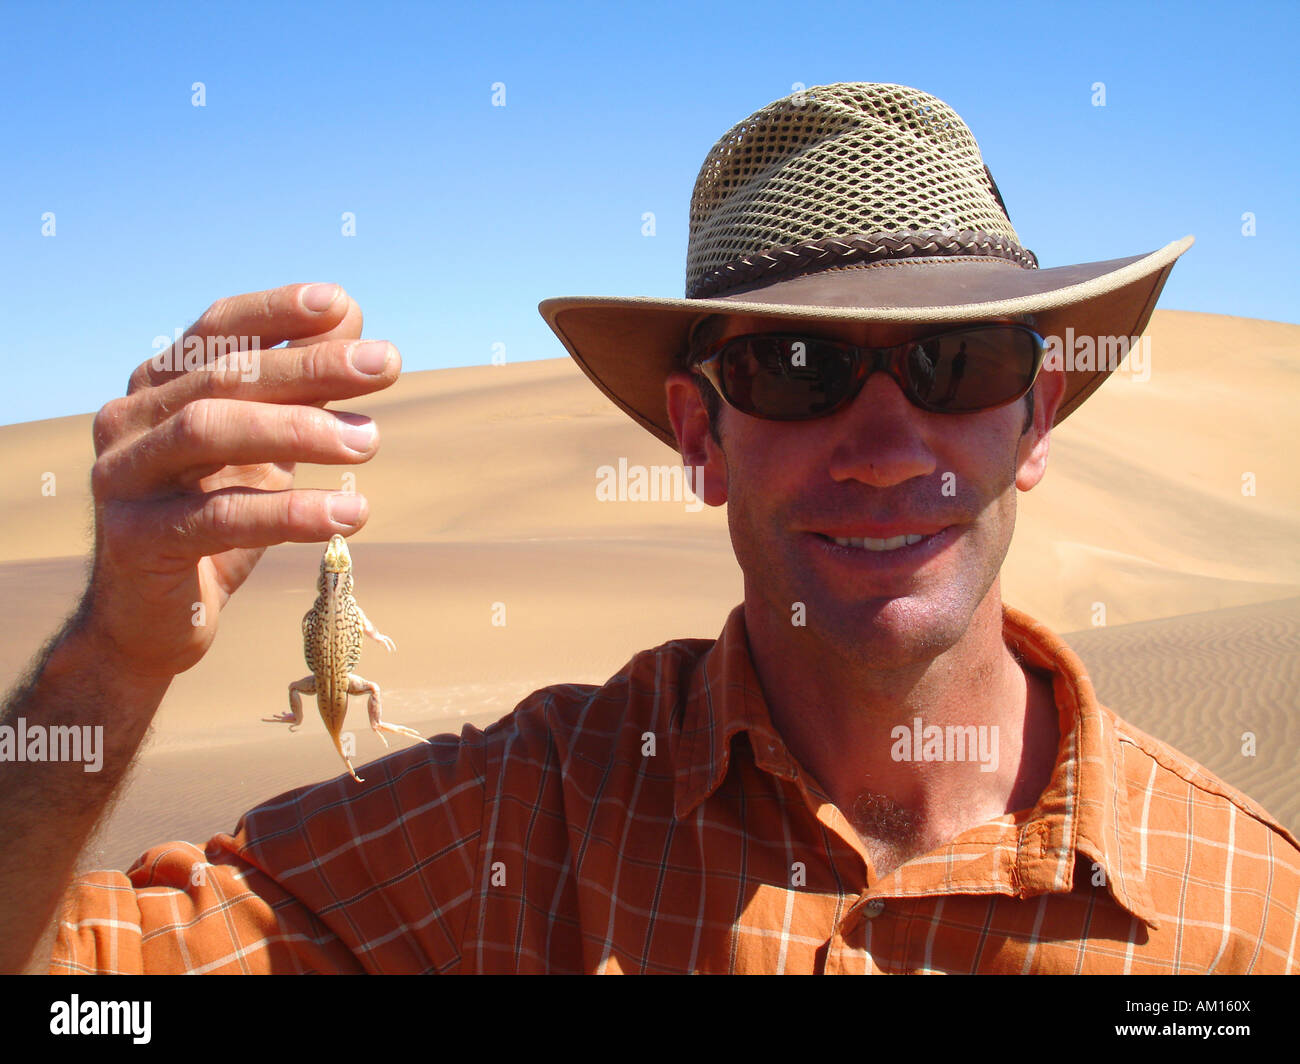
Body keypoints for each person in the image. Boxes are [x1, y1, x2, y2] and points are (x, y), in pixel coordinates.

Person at [4, 82, 1296, 974]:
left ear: (1037, 416)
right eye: (797, 367)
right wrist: (110, 659)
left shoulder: (1250, 915)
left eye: (957, 363)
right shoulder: (514, 831)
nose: (891, 448)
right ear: (697, 434)